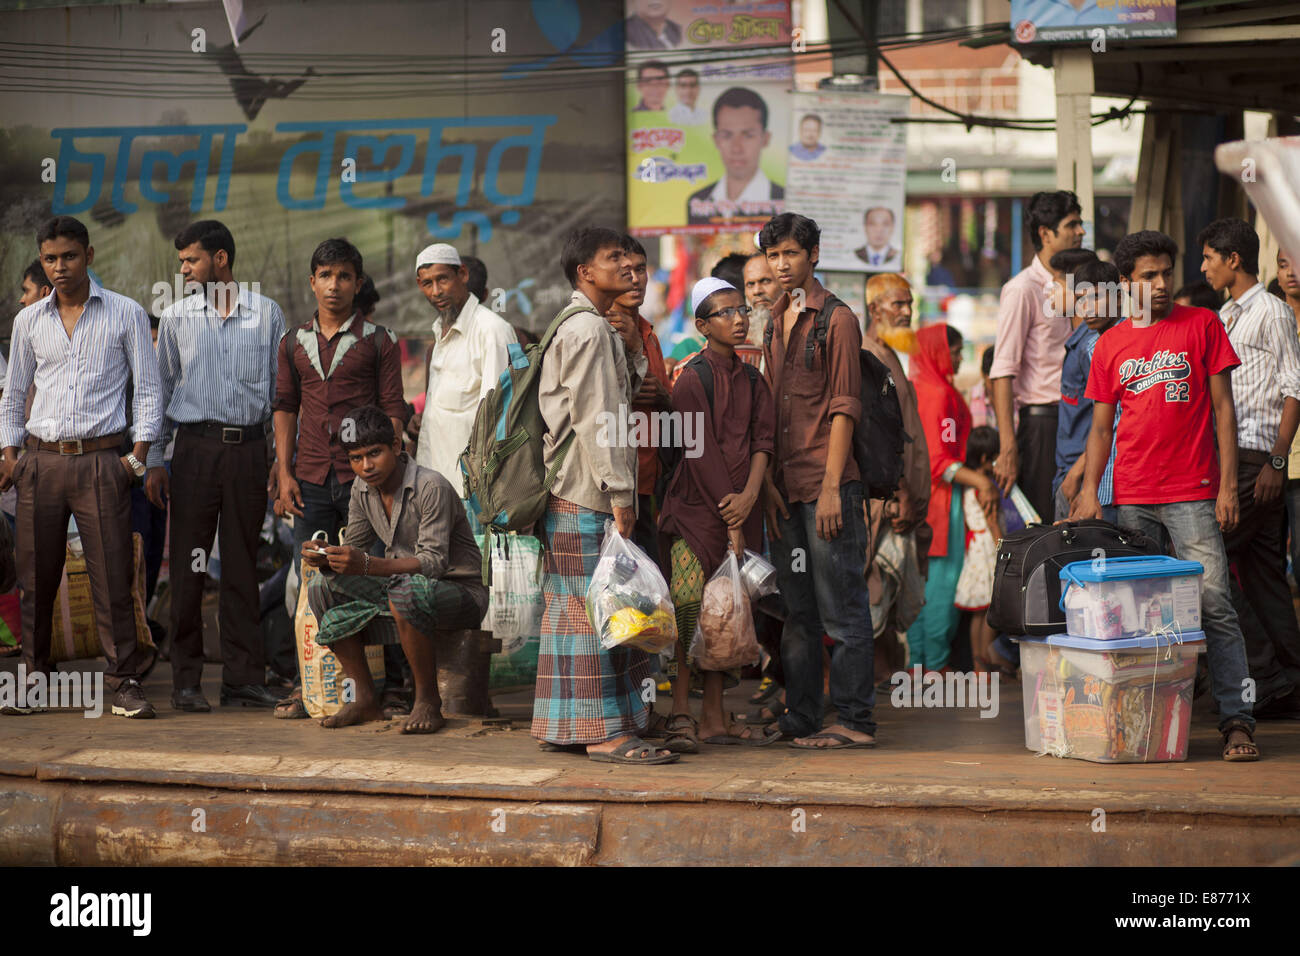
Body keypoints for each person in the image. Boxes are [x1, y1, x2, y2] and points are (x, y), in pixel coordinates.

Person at [1071, 229, 1259, 761]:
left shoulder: (1202, 324)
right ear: (1126, 282)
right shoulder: (1108, 345)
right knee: (1140, 618)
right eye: (1147, 276)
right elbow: (1101, 429)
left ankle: (1237, 721)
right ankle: (1147, 726)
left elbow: (1224, 409)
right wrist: (1090, 492)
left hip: (1194, 494)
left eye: (1165, 273)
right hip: (1132, 496)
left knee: (1215, 604)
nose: (1159, 284)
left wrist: (1226, 486)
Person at [0, 216, 163, 718]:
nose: (59, 267)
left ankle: (123, 682)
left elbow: (150, 389)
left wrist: (136, 459)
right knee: (35, 576)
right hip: (42, 462)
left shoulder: (125, 313)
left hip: (102, 462)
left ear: (89, 255)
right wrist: (11, 456)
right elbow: (12, 396)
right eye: (50, 259)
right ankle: (34, 679)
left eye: (69, 256)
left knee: (112, 574)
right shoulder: (28, 321)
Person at [531, 226, 678, 765]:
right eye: (613, 258)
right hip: (588, 494)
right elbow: (603, 422)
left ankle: (566, 725)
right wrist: (623, 496)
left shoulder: (584, 326)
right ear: (584, 272)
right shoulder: (589, 331)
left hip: (569, 493)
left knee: (575, 613)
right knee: (599, 614)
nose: (627, 266)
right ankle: (605, 734)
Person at [146, 219, 287, 711]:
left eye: (192, 260)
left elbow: (279, 395)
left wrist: (278, 461)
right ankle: (186, 681)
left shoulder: (268, 315)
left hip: (250, 453)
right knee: (189, 565)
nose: (183, 268)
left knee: (243, 565)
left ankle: (244, 679)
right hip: (194, 450)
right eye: (181, 261)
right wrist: (156, 462)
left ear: (221, 259)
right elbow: (160, 393)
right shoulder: (177, 318)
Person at [272, 238, 409, 716]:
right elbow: (286, 408)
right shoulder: (292, 341)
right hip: (309, 475)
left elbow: (395, 414)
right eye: (325, 276)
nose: (334, 285)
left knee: (377, 575)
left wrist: (381, 473)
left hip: (363, 483)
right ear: (313, 282)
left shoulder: (379, 340)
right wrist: (284, 473)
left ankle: (393, 686)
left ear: (358, 283)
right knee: (308, 578)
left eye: (344, 276)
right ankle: (308, 683)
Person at [756, 212, 875, 750]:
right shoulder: (773, 319)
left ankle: (853, 720)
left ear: (813, 255)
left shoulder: (837, 319)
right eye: (774, 255)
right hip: (786, 488)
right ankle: (801, 716)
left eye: (791, 254)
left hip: (830, 485)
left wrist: (831, 488)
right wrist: (771, 483)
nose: (782, 264)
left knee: (843, 609)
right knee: (796, 612)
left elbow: (845, 407)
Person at [302, 405, 487, 733]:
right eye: (356, 458)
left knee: (405, 590)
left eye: (374, 453)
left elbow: (432, 563)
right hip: (402, 589)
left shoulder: (431, 486)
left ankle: (428, 700)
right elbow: (357, 547)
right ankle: (363, 699)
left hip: (460, 593)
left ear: (397, 448)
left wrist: (367, 564)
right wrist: (327, 555)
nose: (366, 465)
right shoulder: (362, 489)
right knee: (321, 586)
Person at [658, 277, 776, 749]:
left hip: (741, 510)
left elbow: (764, 441)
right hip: (695, 514)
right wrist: (733, 513)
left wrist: (749, 497)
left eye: (741, 309)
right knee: (690, 610)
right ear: (703, 325)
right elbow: (699, 452)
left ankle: (714, 715)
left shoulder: (753, 378)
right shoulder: (691, 379)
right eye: (725, 313)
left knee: (725, 614)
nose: (739, 318)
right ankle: (681, 710)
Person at [1198, 218, 1300, 720]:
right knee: (1262, 577)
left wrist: (1277, 463)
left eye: (1208, 258)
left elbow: (1295, 387)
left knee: (1204, 568)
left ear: (1233, 259)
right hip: (1237, 459)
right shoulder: (1227, 315)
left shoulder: (1271, 312)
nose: (1203, 268)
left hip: (1255, 461)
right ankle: (1288, 681)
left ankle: (1264, 674)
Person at [990, 190, 1085, 521]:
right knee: (1047, 526)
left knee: (1080, 524)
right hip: (1043, 424)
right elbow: (1002, 371)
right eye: (1072, 225)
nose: (1081, 232)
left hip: (1082, 419)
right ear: (1046, 234)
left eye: (1080, 223)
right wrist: (1008, 448)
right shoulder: (1022, 289)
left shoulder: (1079, 286)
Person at [910, 323, 999, 674]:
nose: (961, 359)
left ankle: (920, 665)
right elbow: (940, 460)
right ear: (939, 352)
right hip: (942, 505)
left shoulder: (919, 385)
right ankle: (934, 665)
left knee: (923, 589)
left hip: (923, 503)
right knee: (942, 590)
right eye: (956, 351)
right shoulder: (939, 393)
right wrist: (981, 479)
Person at [412, 243, 516, 522]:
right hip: (434, 484)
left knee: (475, 566)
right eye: (427, 283)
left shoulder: (491, 330)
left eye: (443, 279)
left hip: (474, 492)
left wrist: (485, 486)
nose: (436, 291)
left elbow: (499, 417)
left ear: (463, 274)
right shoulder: (440, 332)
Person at [862, 272, 931, 681]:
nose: (906, 312)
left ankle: (884, 675)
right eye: (897, 304)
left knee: (889, 593)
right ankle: (866, 682)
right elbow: (875, 433)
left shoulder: (891, 354)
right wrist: (898, 491)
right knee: (876, 587)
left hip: (900, 498)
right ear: (875, 310)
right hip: (887, 499)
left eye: (908, 304)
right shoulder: (868, 353)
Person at [605, 235, 670, 562]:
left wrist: (662, 394)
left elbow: (667, 405)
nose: (635, 278)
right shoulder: (602, 330)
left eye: (641, 269)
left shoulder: (648, 332)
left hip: (650, 482)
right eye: (625, 269)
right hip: (615, 490)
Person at [1054, 257, 1121, 522]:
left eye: (1095, 298)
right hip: (1102, 482)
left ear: (1117, 297)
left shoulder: (1100, 347)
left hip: (1115, 484)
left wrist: (1077, 475)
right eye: (1081, 299)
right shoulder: (1092, 342)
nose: (1087, 308)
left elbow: (1114, 423)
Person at [687, 88, 784, 226]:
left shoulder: (785, 200)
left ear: (765, 139)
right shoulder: (698, 202)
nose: (737, 148)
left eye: (748, 135)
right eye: (726, 135)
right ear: (716, 140)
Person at [954, 426, 1003, 674]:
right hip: (987, 550)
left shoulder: (966, 484)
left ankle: (977, 665)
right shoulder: (986, 488)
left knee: (978, 612)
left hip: (973, 550)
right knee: (992, 609)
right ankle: (986, 661)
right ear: (986, 458)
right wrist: (1003, 548)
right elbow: (992, 521)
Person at [968, 346, 996, 428]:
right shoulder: (969, 398)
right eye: (992, 382)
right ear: (983, 374)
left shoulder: (1017, 400)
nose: (998, 389)